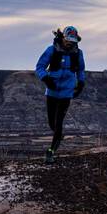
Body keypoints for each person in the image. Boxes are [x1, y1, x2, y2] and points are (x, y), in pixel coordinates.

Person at [34, 26, 86, 164]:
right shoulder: (51, 50)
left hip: (66, 92)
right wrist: (46, 78)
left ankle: (50, 152)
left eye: (73, 40)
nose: (70, 42)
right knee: (51, 122)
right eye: (68, 39)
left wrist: (81, 83)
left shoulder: (78, 53)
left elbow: (81, 70)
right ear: (63, 37)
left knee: (58, 123)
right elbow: (39, 67)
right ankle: (58, 136)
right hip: (52, 90)